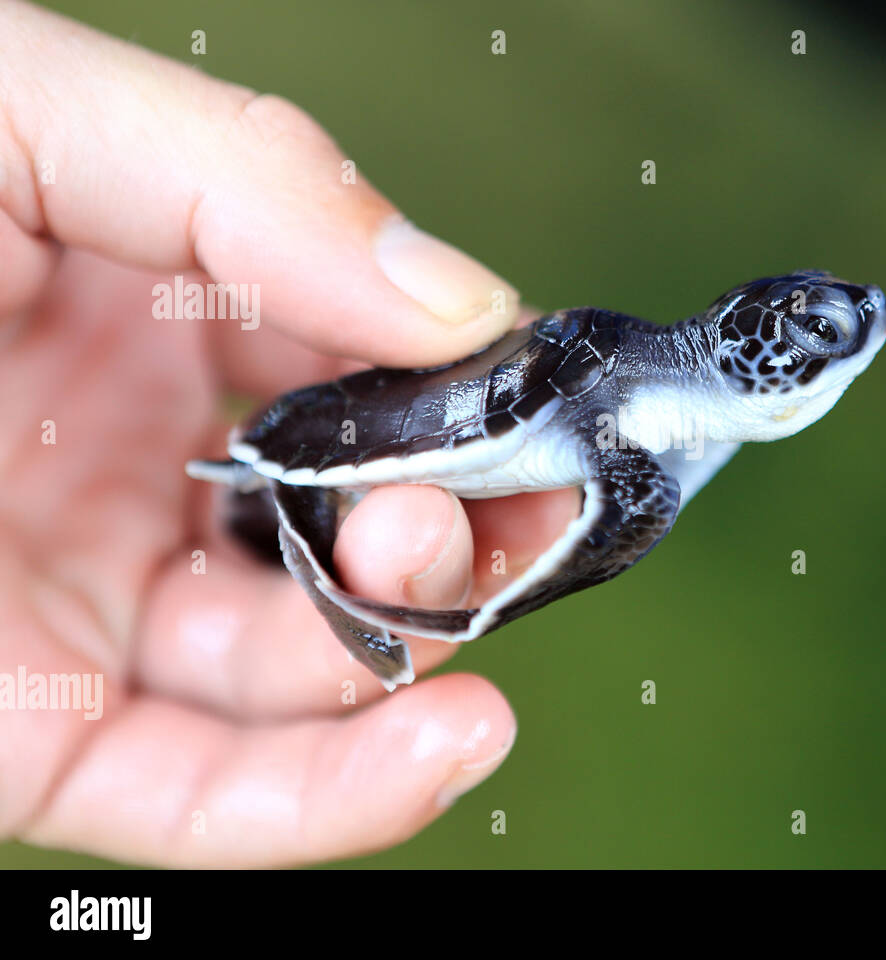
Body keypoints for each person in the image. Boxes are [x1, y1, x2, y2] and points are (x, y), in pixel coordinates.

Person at [0, 0, 576, 866]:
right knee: (356, 517)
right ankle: (300, 541)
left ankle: (294, 534)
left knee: (385, 532)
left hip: (335, 442)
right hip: (326, 436)